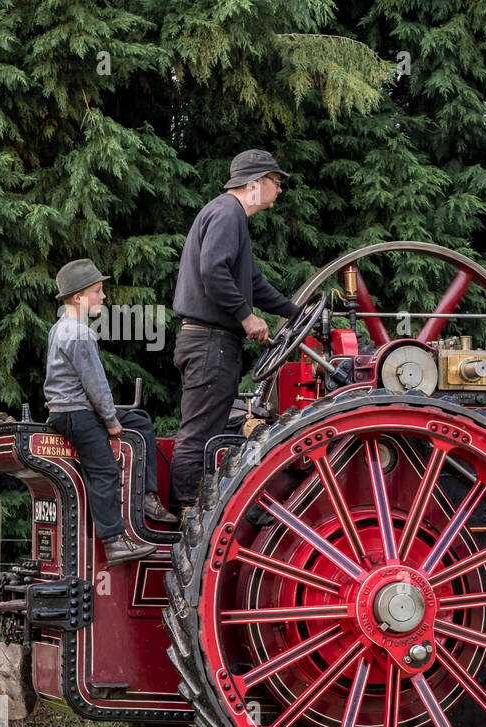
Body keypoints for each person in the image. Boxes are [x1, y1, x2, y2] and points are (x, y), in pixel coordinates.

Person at [169, 149, 300, 512]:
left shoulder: (228, 216)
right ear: (254, 184)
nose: (279, 190)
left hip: (210, 342)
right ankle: (187, 516)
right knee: (200, 434)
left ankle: (191, 516)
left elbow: (253, 283)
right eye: (275, 183)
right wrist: (247, 317)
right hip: (212, 342)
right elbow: (213, 273)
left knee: (206, 431)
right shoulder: (228, 213)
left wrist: (296, 312)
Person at [44, 259, 177, 566]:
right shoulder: (79, 334)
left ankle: (146, 497)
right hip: (78, 412)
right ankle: (115, 542)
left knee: (141, 422)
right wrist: (111, 421)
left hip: (69, 409)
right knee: (103, 470)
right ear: (78, 297)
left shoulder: (59, 328)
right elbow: (95, 385)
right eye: (97, 291)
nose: (103, 298)